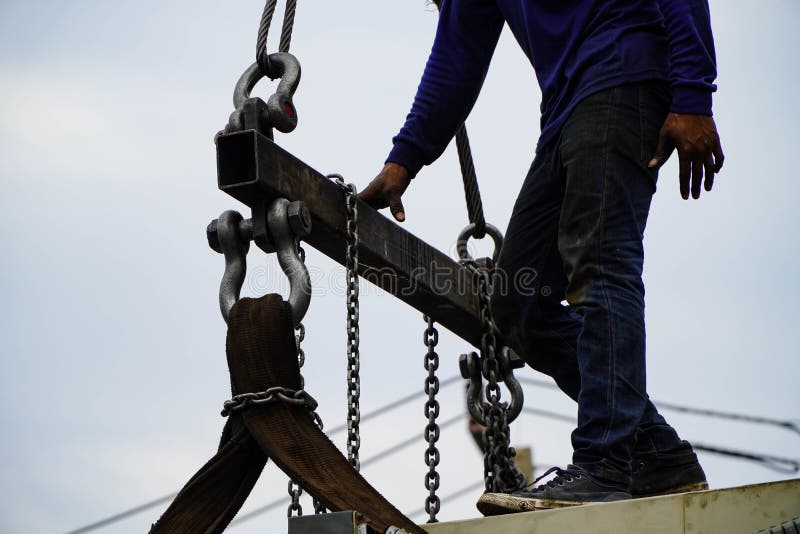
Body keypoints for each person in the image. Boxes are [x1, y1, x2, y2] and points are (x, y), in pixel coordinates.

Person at [359, 0, 724, 515]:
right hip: (566, 111)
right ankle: (656, 452)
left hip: (623, 75)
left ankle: (605, 464)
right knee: (517, 305)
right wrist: (403, 161)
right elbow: (457, 56)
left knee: (599, 266)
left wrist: (693, 93)